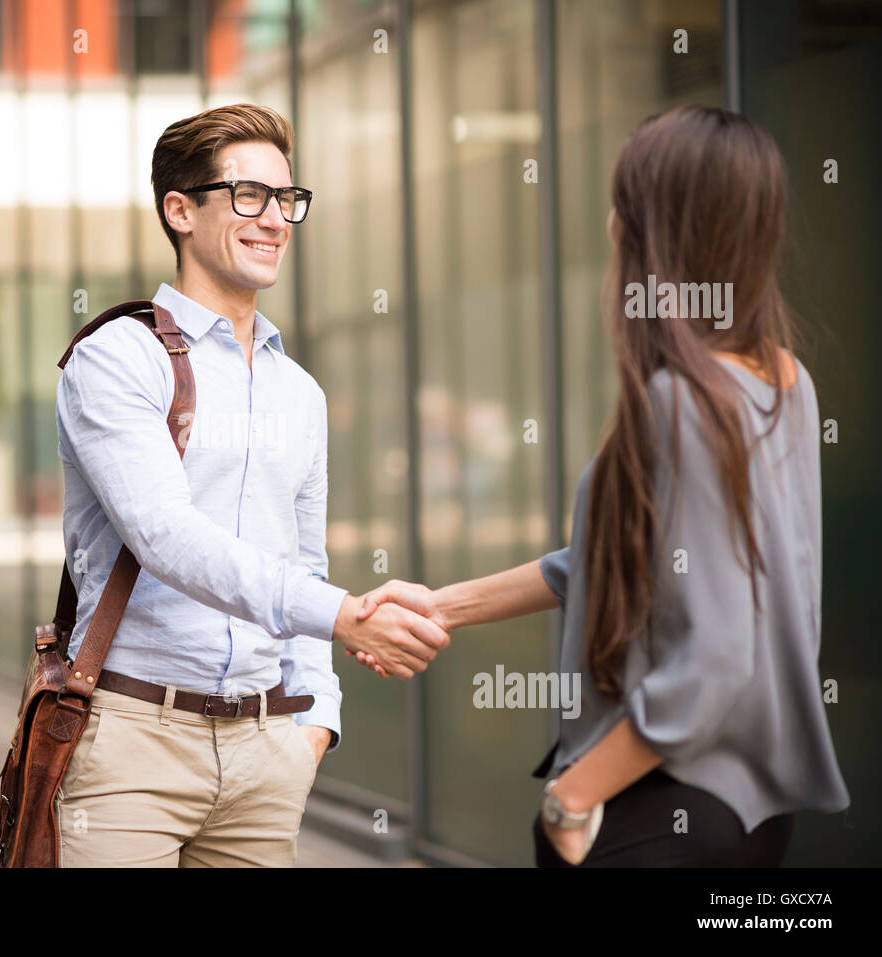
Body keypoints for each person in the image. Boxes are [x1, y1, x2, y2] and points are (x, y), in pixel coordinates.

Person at [353, 104, 849, 866]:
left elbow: (719, 654)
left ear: (649, 233)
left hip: (657, 804)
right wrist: (441, 605)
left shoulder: (686, 400)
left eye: (623, 204)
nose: (612, 225)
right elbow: (601, 557)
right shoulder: (786, 380)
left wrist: (572, 796)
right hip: (750, 813)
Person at [53, 102, 448, 867]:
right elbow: (166, 535)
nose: (274, 219)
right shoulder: (116, 359)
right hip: (134, 745)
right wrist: (344, 617)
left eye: (287, 199)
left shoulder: (301, 393)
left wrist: (313, 728)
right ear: (180, 210)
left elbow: (304, 561)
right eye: (248, 195)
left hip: (269, 753)